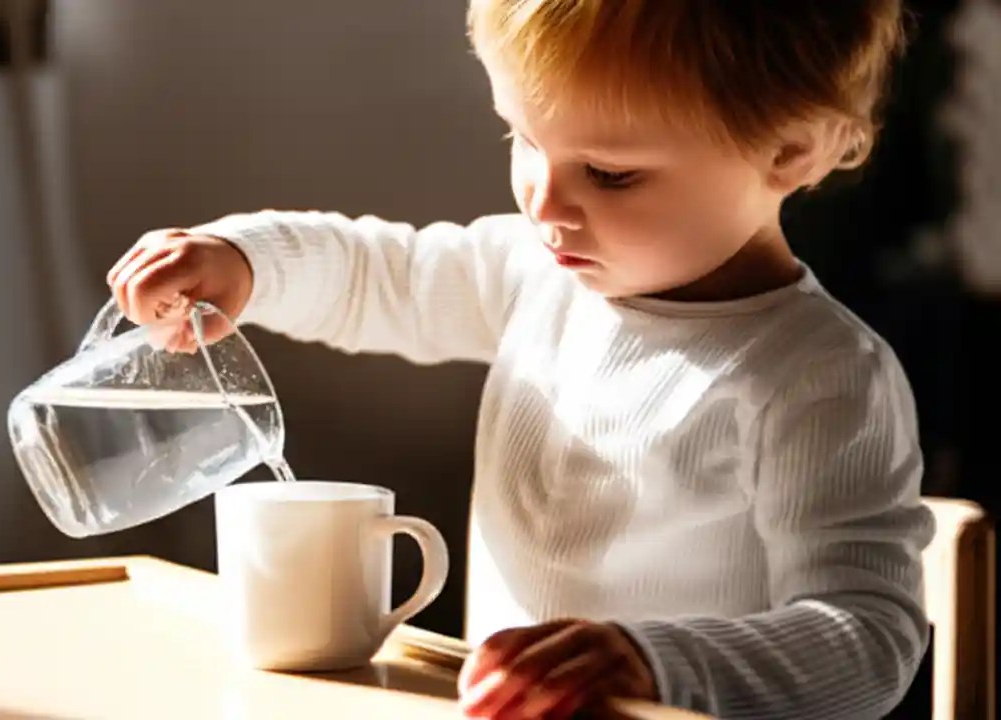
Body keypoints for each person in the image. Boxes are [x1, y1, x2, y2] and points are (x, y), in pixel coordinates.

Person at [106, 1, 934, 717]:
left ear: (790, 152)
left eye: (608, 173)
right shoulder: (531, 276)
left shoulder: (819, 377)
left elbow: (869, 640)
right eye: (524, 140)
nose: (543, 201)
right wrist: (246, 260)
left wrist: (660, 664)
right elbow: (379, 273)